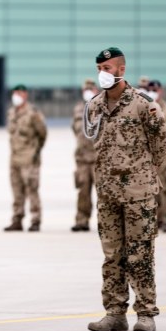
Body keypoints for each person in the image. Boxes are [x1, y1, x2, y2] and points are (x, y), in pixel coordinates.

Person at [83, 47, 166, 331]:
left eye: (107, 68)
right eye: (99, 69)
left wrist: (141, 173)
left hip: (138, 194)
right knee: (112, 255)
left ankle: (145, 313)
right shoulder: (95, 106)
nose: (102, 74)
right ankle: (115, 312)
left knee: (140, 254)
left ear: (121, 69)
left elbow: (161, 144)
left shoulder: (143, 105)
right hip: (107, 193)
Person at [4, 84, 47, 232]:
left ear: (25, 95)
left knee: (32, 190)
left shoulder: (33, 113)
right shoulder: (11, 112)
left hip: (29, 159)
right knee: (16, 191)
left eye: (19, 93)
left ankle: (35, 220)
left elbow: (42, 134)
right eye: (15, 93)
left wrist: (35, 151)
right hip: (15, 158)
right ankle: (17, 219)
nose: (16, 96)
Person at [146, 80, 166, 232]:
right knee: (151, 190)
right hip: (149, 158)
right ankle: (155, 220)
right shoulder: (144, 109)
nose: (152, 92)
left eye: (155, 89)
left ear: (160, 91)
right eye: (149, 89)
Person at [71, 79, 98, 232]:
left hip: (98, 158)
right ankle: (82, 220)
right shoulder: (78, 108)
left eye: (90, 89)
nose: (88, 92)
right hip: (82, 158)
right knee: (82, 192)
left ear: (96, 90)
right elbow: (74, 129)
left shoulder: (102, 106)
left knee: (103, 193)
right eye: (85, 89)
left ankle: (106, 223)